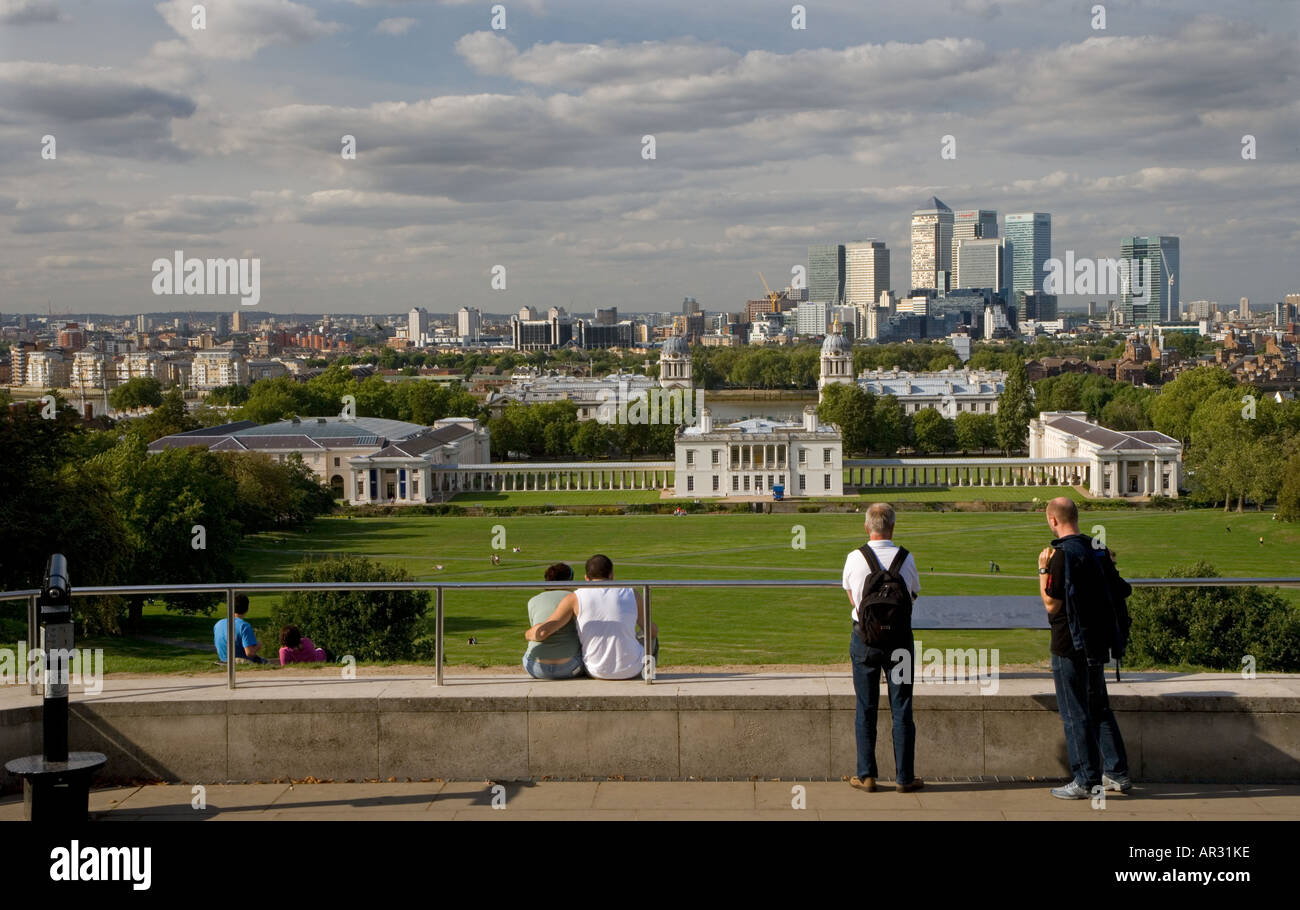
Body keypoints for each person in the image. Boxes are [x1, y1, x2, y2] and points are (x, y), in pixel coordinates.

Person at [1039, 496, 1132, 799]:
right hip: (1098, 640)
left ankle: (1086, 779)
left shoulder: (1059, 555)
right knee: (1099, 707)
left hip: (1069, 642)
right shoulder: (1099, 548)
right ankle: (1116, 772)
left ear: (1053, 520)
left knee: (1074, 710)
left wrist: (1042, 570)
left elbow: (1052, 605)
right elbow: (1120, 589)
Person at [842, 503, 922, 793]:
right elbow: (912, 597)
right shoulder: (906, 557)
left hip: (865, 639)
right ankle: (905, 777)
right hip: (900, 640)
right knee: (902, 707)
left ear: (867, 527)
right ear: (893, 527)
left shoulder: (855, 557)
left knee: (866, 707)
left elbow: (855, 600)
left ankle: (866, 775)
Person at [525, 554, 658, 680]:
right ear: (611, 575)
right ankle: (649, 676)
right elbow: (652, 631)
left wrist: (529, 633)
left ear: (586, 578)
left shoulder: (574, 598)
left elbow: (544, 631)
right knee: (652, 638)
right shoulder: (632, 593)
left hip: (595, 670)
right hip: (632, 670)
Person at [522, 563, 584, 680]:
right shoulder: (576, 598)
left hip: (536, 668)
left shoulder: (533, 601)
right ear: (570, 580)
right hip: (570, 668)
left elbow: (536, 633)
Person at [213, 595, 265, 664]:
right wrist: (259, 645)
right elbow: (249, 653)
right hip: (240, 662)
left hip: (223, 661)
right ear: (247, 609)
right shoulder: (244, 626)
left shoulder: (218, 624)